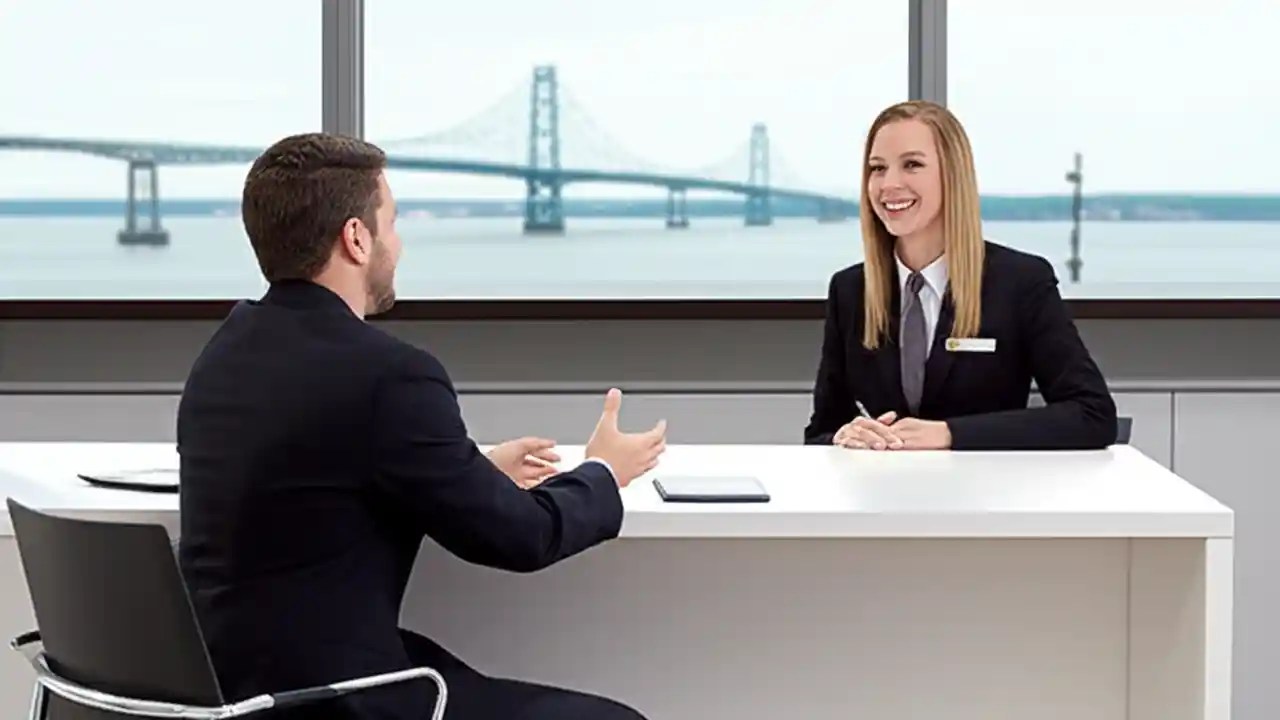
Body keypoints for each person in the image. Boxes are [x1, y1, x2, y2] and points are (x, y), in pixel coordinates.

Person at [176, 132, 666, 720]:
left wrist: (470, 472)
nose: (398, 244)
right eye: (393, 222)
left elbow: (316, 478)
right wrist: (604, 471)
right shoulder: (391, 375)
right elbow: (520, 537)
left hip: (227, 693)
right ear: (356, 238)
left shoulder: (224, 352)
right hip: (334, 701)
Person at [803, 100, 1117, 451]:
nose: (888, 184)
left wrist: (951, 434)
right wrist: (842, 437)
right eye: (877, 168)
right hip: (880, 498)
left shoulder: (1020, 282)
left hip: (985, 497)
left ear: (952, 175)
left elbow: (1093, 415)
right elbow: (821, 430)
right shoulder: (850, 290)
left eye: (912, 165)